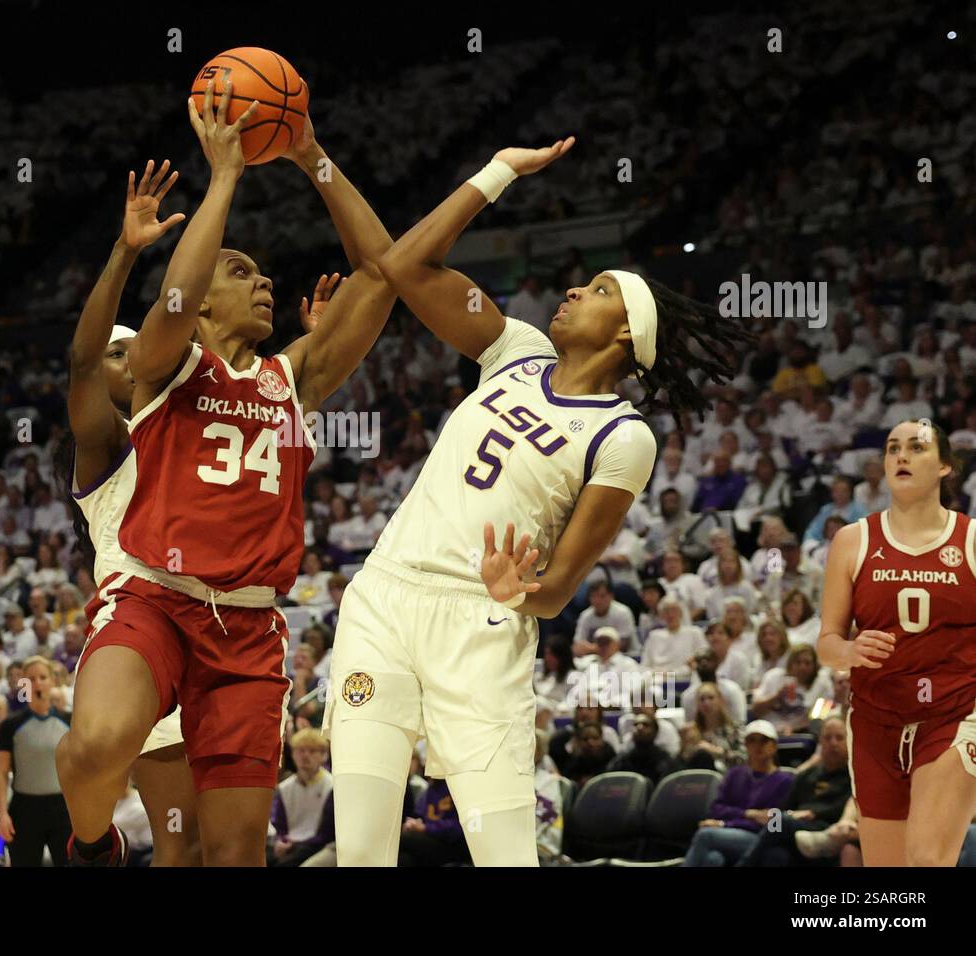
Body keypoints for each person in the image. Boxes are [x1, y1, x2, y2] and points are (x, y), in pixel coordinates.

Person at [327, 137, 753, 867]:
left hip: (483, 626)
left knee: (508, 859)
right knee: (362, 851)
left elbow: (554, 594)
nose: (574, 292)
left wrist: (516, 588)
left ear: (627, 332)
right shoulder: (515, 351)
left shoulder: (622, 437)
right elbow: (402, 267)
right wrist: (495, 173)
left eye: (598, 289)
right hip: (385, 601)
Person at [58, 80, 397, 867]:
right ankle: (92, 842)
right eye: (241, 272)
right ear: (203, 302)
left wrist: (312, 155)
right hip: (152, 596)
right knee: (93, 749)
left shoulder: (294, 379)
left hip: (246, 627)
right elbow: (171, 297)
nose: (265, 282)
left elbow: (382, 275)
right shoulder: (162, 368)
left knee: (233, 856)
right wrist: (225, 178)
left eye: (262, 274)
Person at [57, 167, 206, 866]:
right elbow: (83, 364)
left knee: (191, 845)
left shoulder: (196, 422)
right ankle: (92, 842)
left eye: (133, 349)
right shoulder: (108, 442)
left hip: (216, 628)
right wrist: (125, 252)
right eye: (121, 354)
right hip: (140, 635)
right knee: (95, 758)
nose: (127, 360)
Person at [817, 420, 976, 866]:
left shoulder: (972, 538)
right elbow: (826, 643)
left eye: (916, 447)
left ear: (945, 465)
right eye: (892, 448)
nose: (901, 456)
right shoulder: (852, 540)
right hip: (874, 722)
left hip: (954, 713)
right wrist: (849, 651)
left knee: (926, 859)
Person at [737, 717, 852, 866]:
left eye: (839, 738)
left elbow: (845, 808)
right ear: (820, 743)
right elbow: (786, 806)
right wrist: (792, 815)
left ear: (849, 742)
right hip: (795, 827)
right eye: (828, 738)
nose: (833, 743)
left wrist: (812, 814)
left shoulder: (853, 778)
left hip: (828, 829)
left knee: (780, 821)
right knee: (776, 854)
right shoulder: (807, 775)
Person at [682, 720, 795, 866]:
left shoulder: (784, 781)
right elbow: (716, 809)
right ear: (746, 745)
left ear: (774, 746)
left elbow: (773, 825)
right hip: (728, 834)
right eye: (752, 740)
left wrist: (725, 824)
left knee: (705, 835)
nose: (758, 745)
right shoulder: (735, 774)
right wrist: (748, 814)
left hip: (760, 839)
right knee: (714, 859)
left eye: (764, 740)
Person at [0, 657, 73, 867]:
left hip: (64, 808)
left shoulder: (70, 722)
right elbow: (1, 773)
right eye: (31, 679)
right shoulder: (10, 726)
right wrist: (2, 814)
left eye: (42, 677)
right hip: (24, 809)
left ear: (52, 682)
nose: (37, 683)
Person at [268, 728, 333, 867]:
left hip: (318, 845)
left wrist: (294, 844)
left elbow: (327, 833)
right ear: (293, 754)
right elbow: (278, 824)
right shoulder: (285, 788)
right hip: (289, 843)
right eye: (300, 750)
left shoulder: (331, 786)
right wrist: (281, 840)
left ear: (323, 755)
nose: (305, 756)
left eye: (312, 751)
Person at [607, 713, 675, 785]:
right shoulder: (622, 761)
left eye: (645, 725)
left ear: (655, 732)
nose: (639, 728)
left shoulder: (664, 760)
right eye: (635, 725)